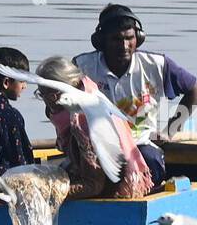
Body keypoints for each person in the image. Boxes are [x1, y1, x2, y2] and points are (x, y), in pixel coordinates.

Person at [73, 4, 197, 189]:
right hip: (96, 143)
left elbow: (195, 90)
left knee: (150, 162)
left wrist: (171, 130)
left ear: (138, 38)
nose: (124, 46)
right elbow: (60, 103)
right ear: (102, 41)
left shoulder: (156, 65)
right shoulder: (82, 67)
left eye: (129, 38)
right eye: (116, 39)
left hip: (140, 142)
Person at [35, 56, 152, 200]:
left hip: (113, 189)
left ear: (57, 95)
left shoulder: (81, 124)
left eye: (44, 95)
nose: (45, 103)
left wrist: (48, 195)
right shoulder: (88, 93)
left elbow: (93, 186)